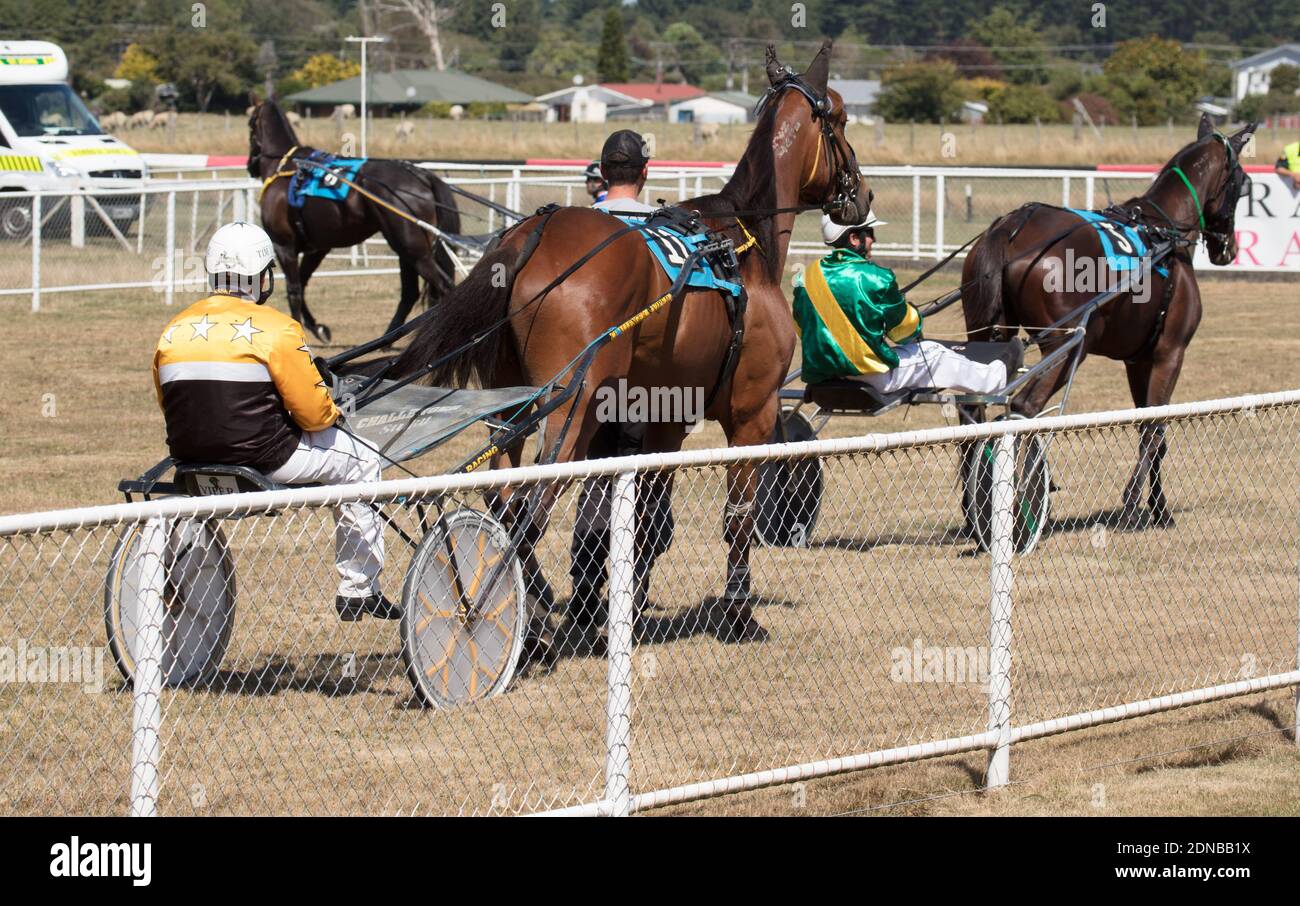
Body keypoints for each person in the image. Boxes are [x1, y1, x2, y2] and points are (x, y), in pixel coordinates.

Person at [152, 221, 394, 622]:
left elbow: (170, 404)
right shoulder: (278, 328)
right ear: (262, 277)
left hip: (189, 460)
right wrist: (332, 407)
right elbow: (315, 416)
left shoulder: (172, 330)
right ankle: (358, 586)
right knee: (363, 459)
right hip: (268, 460)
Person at [568, 129, 673, 635]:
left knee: (596, 479)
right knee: (640, 486)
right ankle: (630, 586)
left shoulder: (580, 231)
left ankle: (586, 590)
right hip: (645, 390)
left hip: (582, 382)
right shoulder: (660, 232)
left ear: (602, 176)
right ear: (645, 173)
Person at [793, 214, 1018, 395]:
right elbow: (904, 332)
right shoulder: (876, 277)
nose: (874, 240)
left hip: (823, 374)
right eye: (869, 233)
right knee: (936, 353)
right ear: (854, 238)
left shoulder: (806, 277)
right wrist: (914, 316)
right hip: (873, 376)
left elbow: (802, 327)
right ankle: (997, 378)